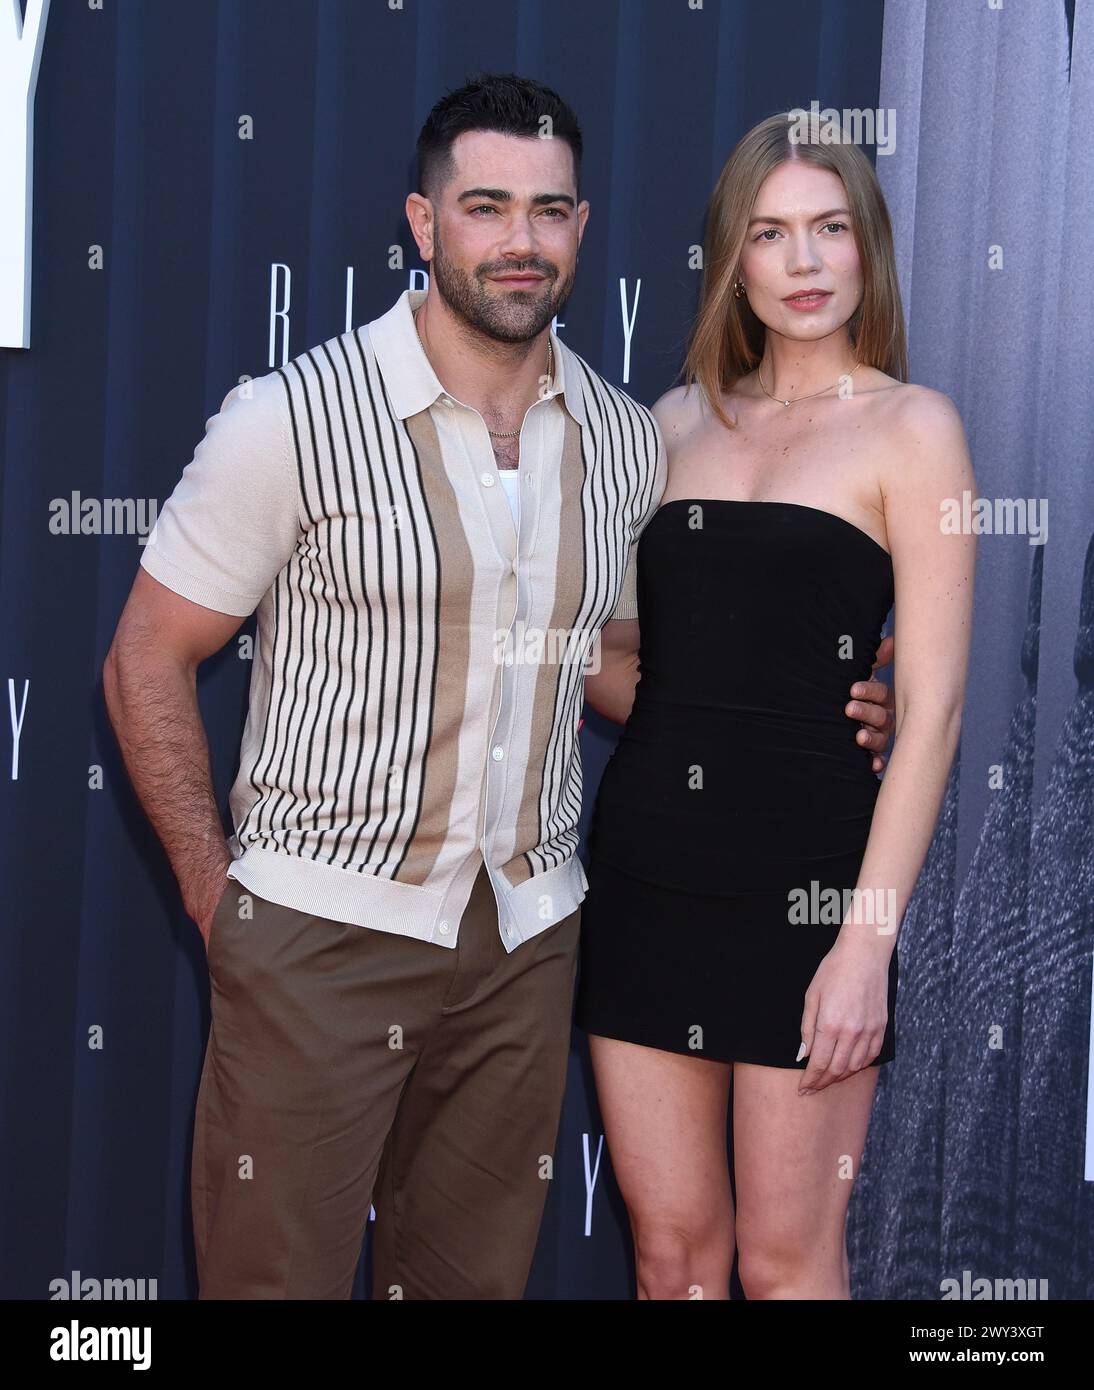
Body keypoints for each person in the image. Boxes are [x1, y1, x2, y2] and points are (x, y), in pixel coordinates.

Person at [102, 76, 894, 1300]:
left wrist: (812, 703)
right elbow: (146, 655)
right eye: (484, 207)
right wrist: (221, 901)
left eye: (549, 210)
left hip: (527, 944)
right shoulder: (291, 418)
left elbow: (632, 666)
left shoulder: (630, 440)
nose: (519, 241)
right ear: (423, 225)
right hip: (322, 931)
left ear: (582, 228)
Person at [575, 111, 975, 1301]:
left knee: (787, 1260)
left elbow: (938, 709)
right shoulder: (665, 427)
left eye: (827, 230)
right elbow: (595, 651)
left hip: (810, 895)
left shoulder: (913, 429)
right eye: (769, 234)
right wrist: (716, 701)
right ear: (730, 260)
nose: (801, 264)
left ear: (866, 250)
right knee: (671, 1257)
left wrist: (865, 941)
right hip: (649, 876)